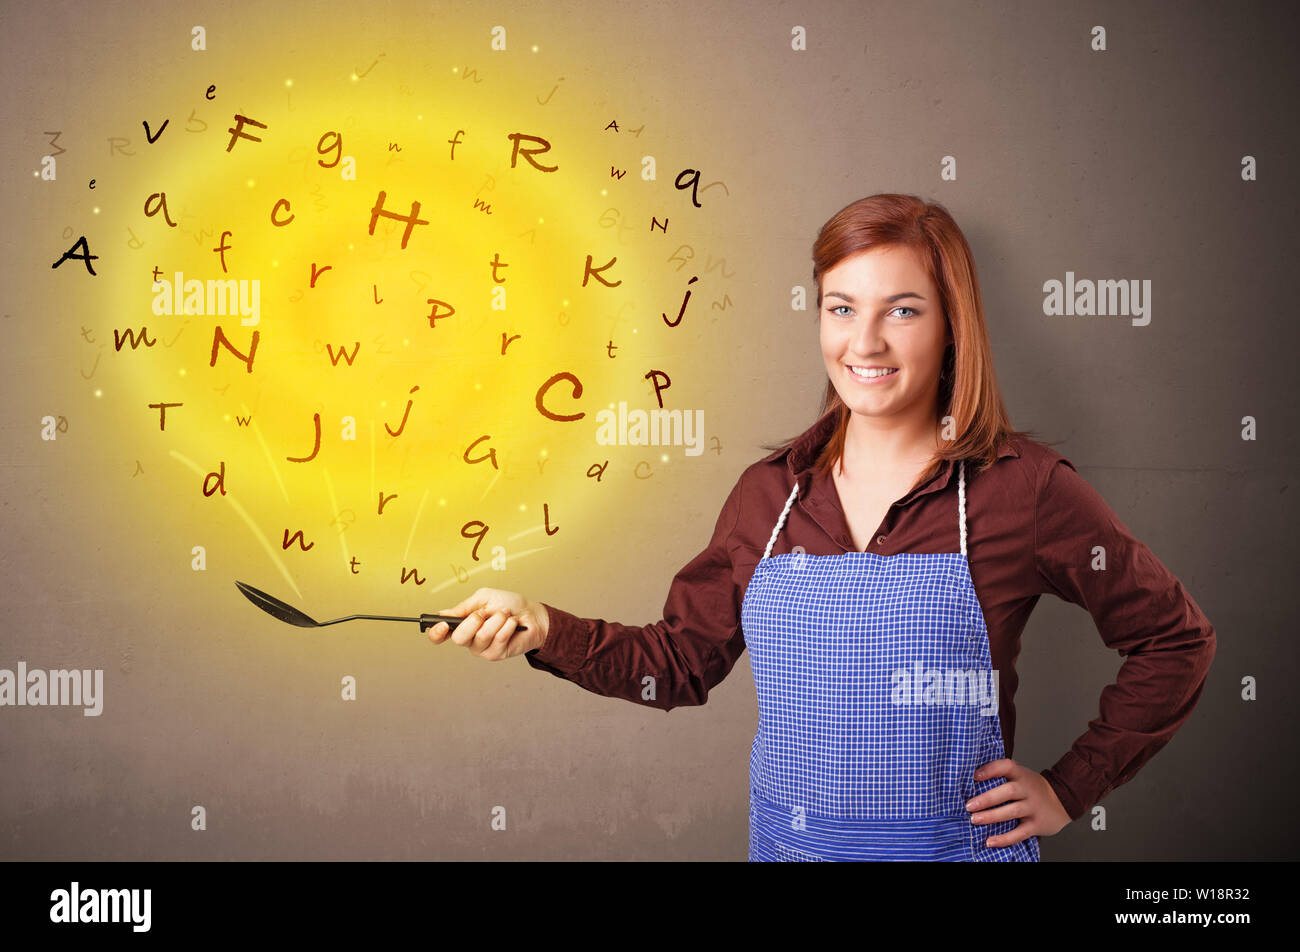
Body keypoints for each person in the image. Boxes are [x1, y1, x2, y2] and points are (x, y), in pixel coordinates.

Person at [425, 193, 1217, 862]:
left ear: (951, 325)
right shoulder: (769, 496)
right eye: (841, 308)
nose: (863, 343)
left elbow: (1176, 640)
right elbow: (679, 664)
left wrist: (1071, 787)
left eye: (901, 311)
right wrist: (541, 628)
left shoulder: (1025, 491)